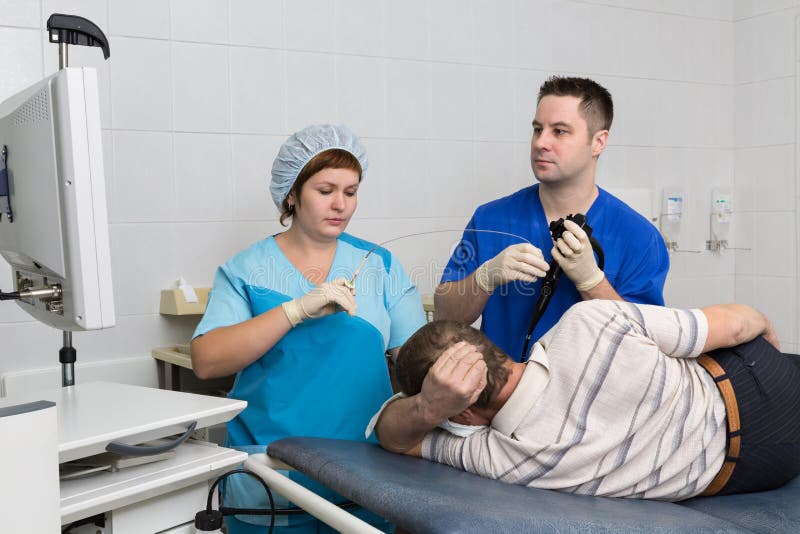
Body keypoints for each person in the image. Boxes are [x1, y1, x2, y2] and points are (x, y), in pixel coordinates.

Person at [191, 124, 426, 533]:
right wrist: (295, 310)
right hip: (272, 479)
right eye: (325, 190)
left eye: (350, 192)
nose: (340, 205)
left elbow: (420, 363)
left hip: (364, 477)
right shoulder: (247, 270)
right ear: (292, 193)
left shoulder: (380, 265)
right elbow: (207, 362)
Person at [372, 300, 800, 501]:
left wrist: (429, 408)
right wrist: (763, 326)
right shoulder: (590, 322)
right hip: (753, 379)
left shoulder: (504, 461)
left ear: (461, 413)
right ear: (487, 345)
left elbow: (392, 435)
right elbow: (737, 324)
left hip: (761, 469)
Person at [435, 76, 669, 361]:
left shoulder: (640, 239)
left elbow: (642, 350)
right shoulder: (490, 219)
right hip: (501, 401)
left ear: (598, 142)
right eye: (537, 129)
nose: (540, 142)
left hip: (590, 402)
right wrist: (485, 278)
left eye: (559, 131)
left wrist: (592, 281)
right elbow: (444, 316)